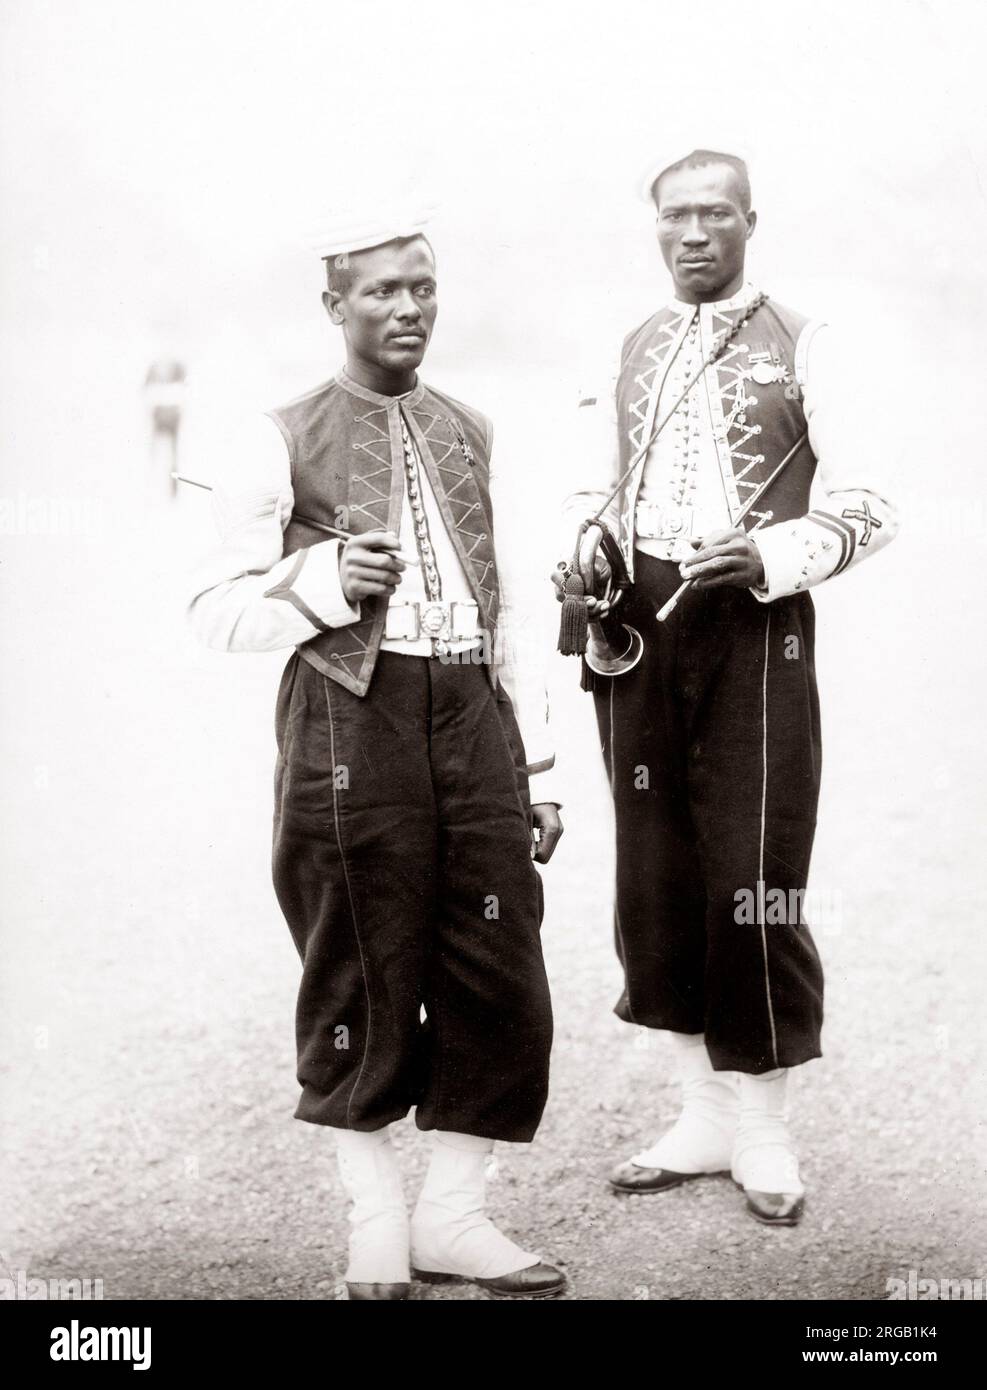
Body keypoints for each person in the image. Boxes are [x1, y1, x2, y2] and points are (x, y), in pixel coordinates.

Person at [188, 210, 566, 1299]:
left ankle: (453, 1219)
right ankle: (376, 1224)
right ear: (333, 304)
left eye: (422, 287)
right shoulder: (275, 434)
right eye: (381, 291)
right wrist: (321, 582)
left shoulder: (471, 427)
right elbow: (211, 608)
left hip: (472, 714)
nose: (407, 309)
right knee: (357, 958)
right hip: (351, 714)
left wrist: (535, 765)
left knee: (500, 966)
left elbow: (507, 607)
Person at [557, 150, 898, 1226]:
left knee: (757, 871)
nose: (693, 233)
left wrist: (773, 554)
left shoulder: (808, 340)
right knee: (655, 870)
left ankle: (763, 1131)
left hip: (755, 623)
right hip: (638, 628)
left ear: (752, 220)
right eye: (675, 215)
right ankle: (700, 1114)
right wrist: (585, 552)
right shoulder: (627, 343)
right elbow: (588, 485)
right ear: (654, 225)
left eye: (715, 213)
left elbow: (873, 503)